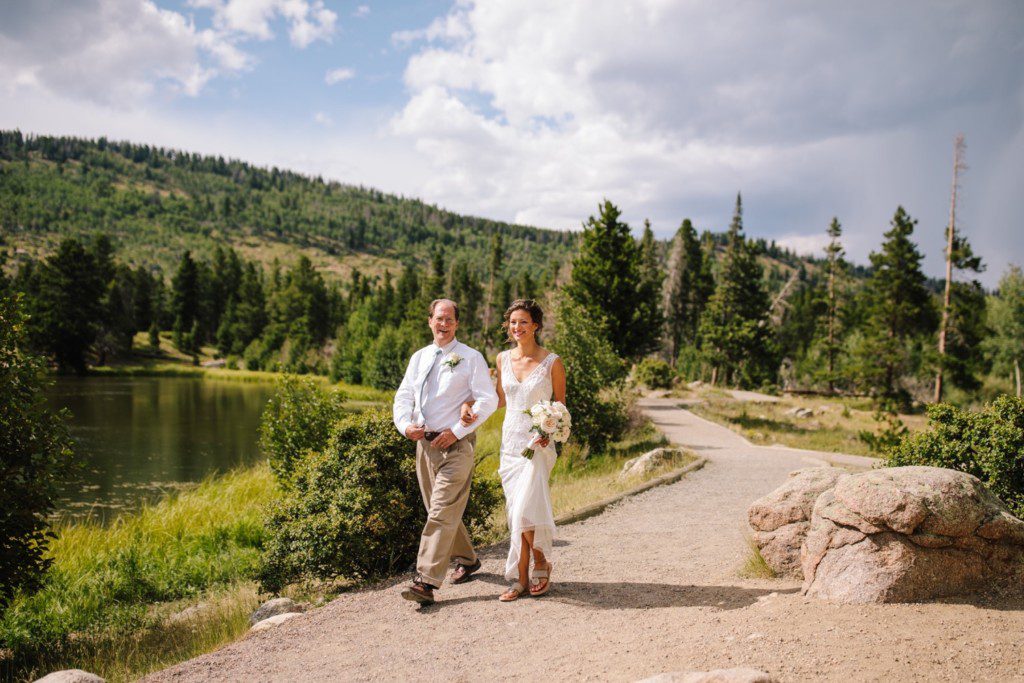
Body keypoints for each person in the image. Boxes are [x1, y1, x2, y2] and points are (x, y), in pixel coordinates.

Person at [393, 298, 498, 606]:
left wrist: (457, 430)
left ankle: (425, 581)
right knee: (439, 511)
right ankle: (468, 559)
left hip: (456, 446)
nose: (443, 323)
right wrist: (404, 425)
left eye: (449, 319)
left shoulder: (471, 357)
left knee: (440, 512)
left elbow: (487, 400)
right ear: (430, 321)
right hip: (424, 446)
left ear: (457, 324)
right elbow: (404, 395)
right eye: (439, 318)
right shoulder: (419, 357)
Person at [462, 299, 566, 601]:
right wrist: (470, 406)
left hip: (538, 445)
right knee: (516, 510)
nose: (517, 327)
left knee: (524, 509)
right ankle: (533, 567)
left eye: (523, 322)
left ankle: (528, 572)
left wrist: (550, 432)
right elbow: (499, 399)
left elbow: (560, 408)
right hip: (510, 444)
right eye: (512, 323)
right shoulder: (502, 359)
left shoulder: (552, 362)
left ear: (535, 325)